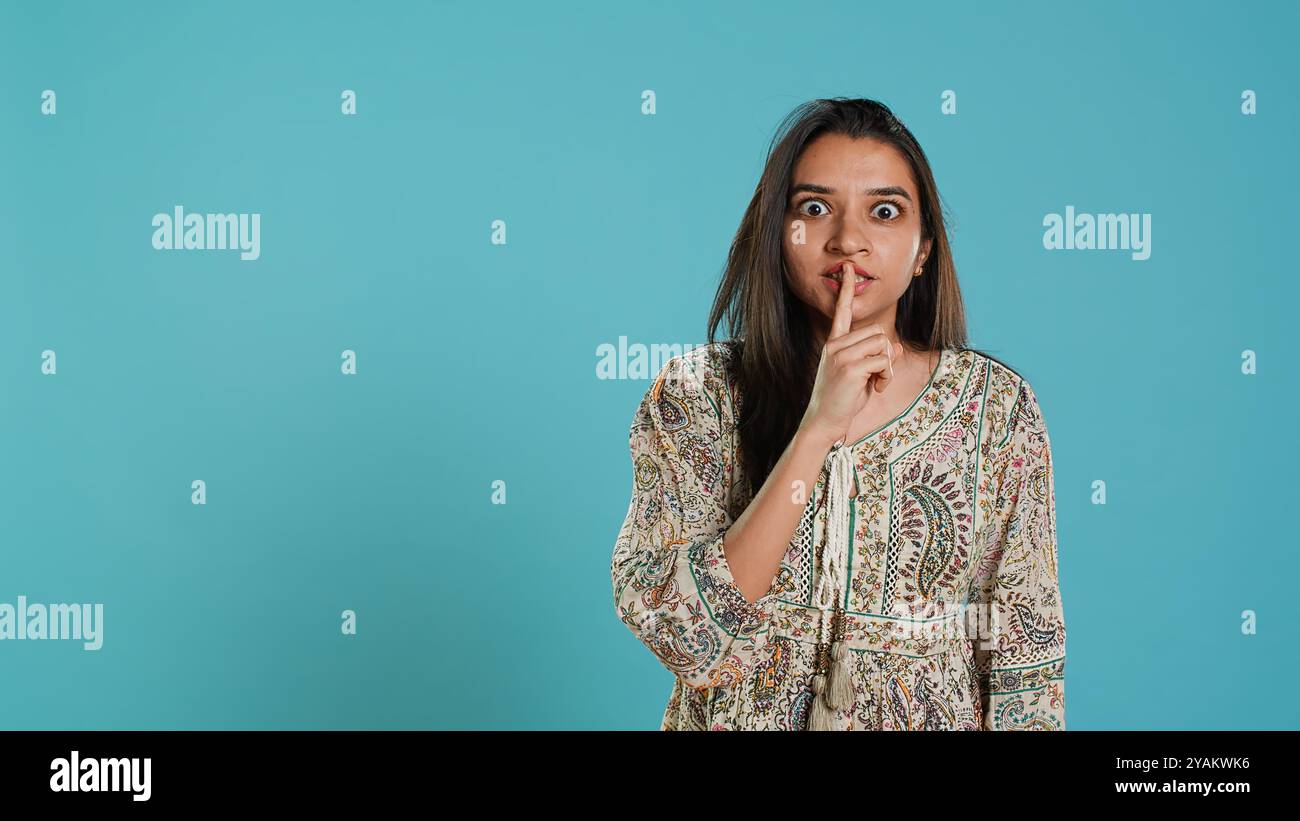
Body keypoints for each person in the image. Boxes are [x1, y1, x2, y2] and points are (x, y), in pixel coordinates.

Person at [610, 98, 1065, 731]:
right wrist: (818, 426)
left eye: (885, 212)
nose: (848, 240)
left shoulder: (995, 410)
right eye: (814, 209)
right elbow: (683, 636)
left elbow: (1027, 665)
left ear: (924, 248)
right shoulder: (700, 394)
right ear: (778, 233)